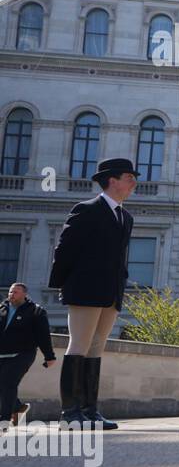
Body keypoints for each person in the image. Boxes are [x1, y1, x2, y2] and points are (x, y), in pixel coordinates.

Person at [48, 157, 139, 429]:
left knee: (97, 349)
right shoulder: (86, 209)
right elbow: (65, 249)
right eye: (129, 177)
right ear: (112, 180)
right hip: (85, 290)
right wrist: (63, 285)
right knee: (78, 346)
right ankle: (70, 412)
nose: (134, 182)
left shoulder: (125, 217)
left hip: (111, 292)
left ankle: (90, 411)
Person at [0, 282, 57, 428]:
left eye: (16, 292)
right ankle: (17, 408)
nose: (12, 295)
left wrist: (49, 356)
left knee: (8, 383)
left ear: (25, 294)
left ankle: (4, 420)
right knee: (4, 385)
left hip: (23, 354)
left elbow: (43, 335)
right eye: (11, 292)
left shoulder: (35, 311)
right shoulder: (2, 308)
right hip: (2, 353)